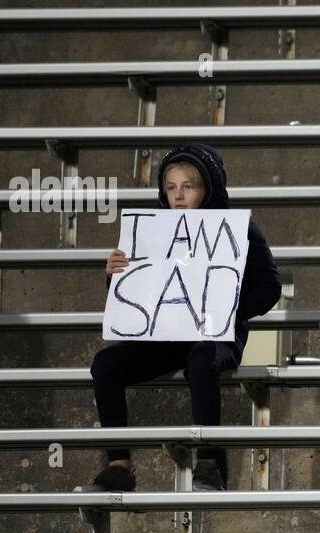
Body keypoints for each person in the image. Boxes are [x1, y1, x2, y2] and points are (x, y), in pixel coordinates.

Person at [84, 143, 282, 492]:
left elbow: (269, 288)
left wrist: (223, 310)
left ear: (208, 189)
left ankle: (210, 463)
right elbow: (139, 292)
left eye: (188, 187)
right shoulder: (151, 232)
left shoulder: (240, 230)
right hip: (167, 335)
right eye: (171, 187)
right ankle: (119, 464)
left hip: (218, 334)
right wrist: (113, 275)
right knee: (105, 365)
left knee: (201, 359)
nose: (178, 196)